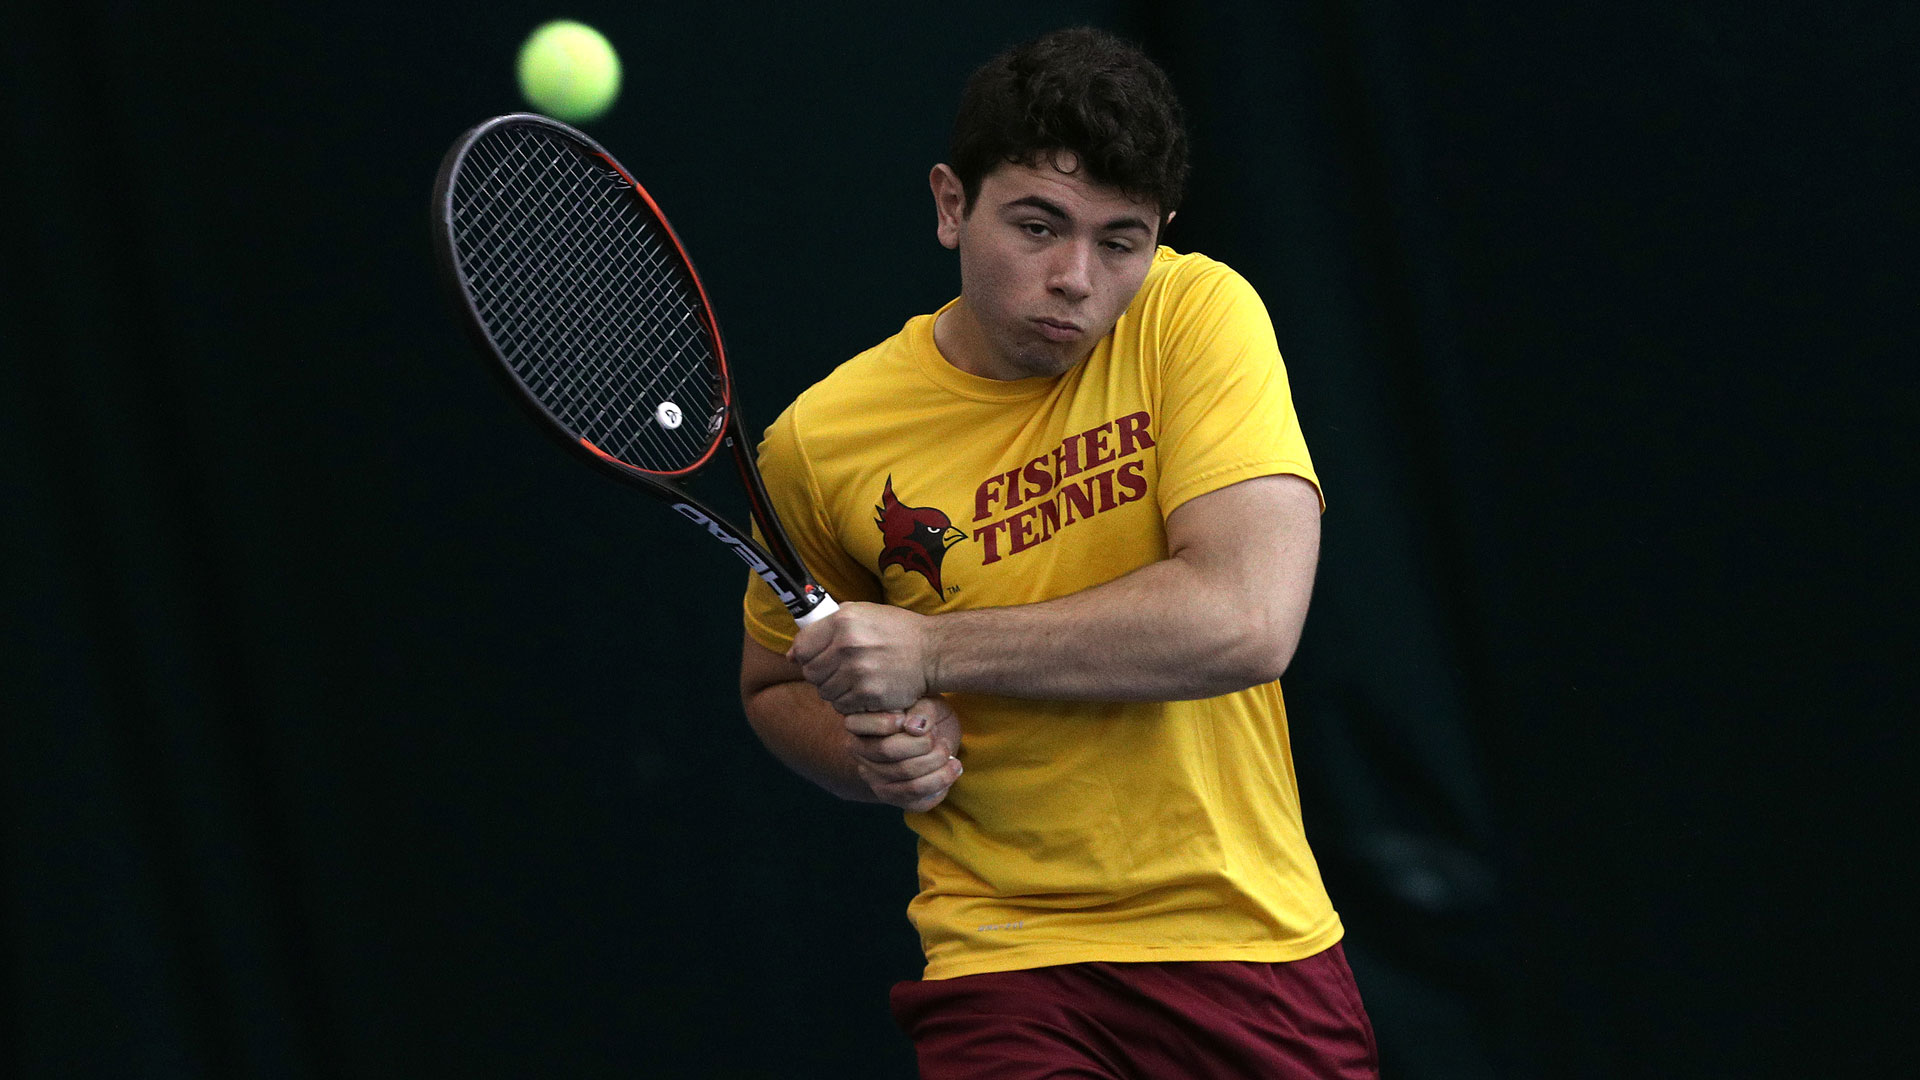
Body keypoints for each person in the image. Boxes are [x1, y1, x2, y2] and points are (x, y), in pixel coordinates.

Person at [738, 26, 1377, 1079]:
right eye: (1038, 226)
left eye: (1119, 241)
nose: (1075, 277)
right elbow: (774, 684)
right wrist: (866, 752)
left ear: (1160, 235)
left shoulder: (1195, 315)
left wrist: (935, 652)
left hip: (1247, 945)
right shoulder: (818, 443)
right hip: (1005, 960)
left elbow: (1246, 621)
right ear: (951, 203)